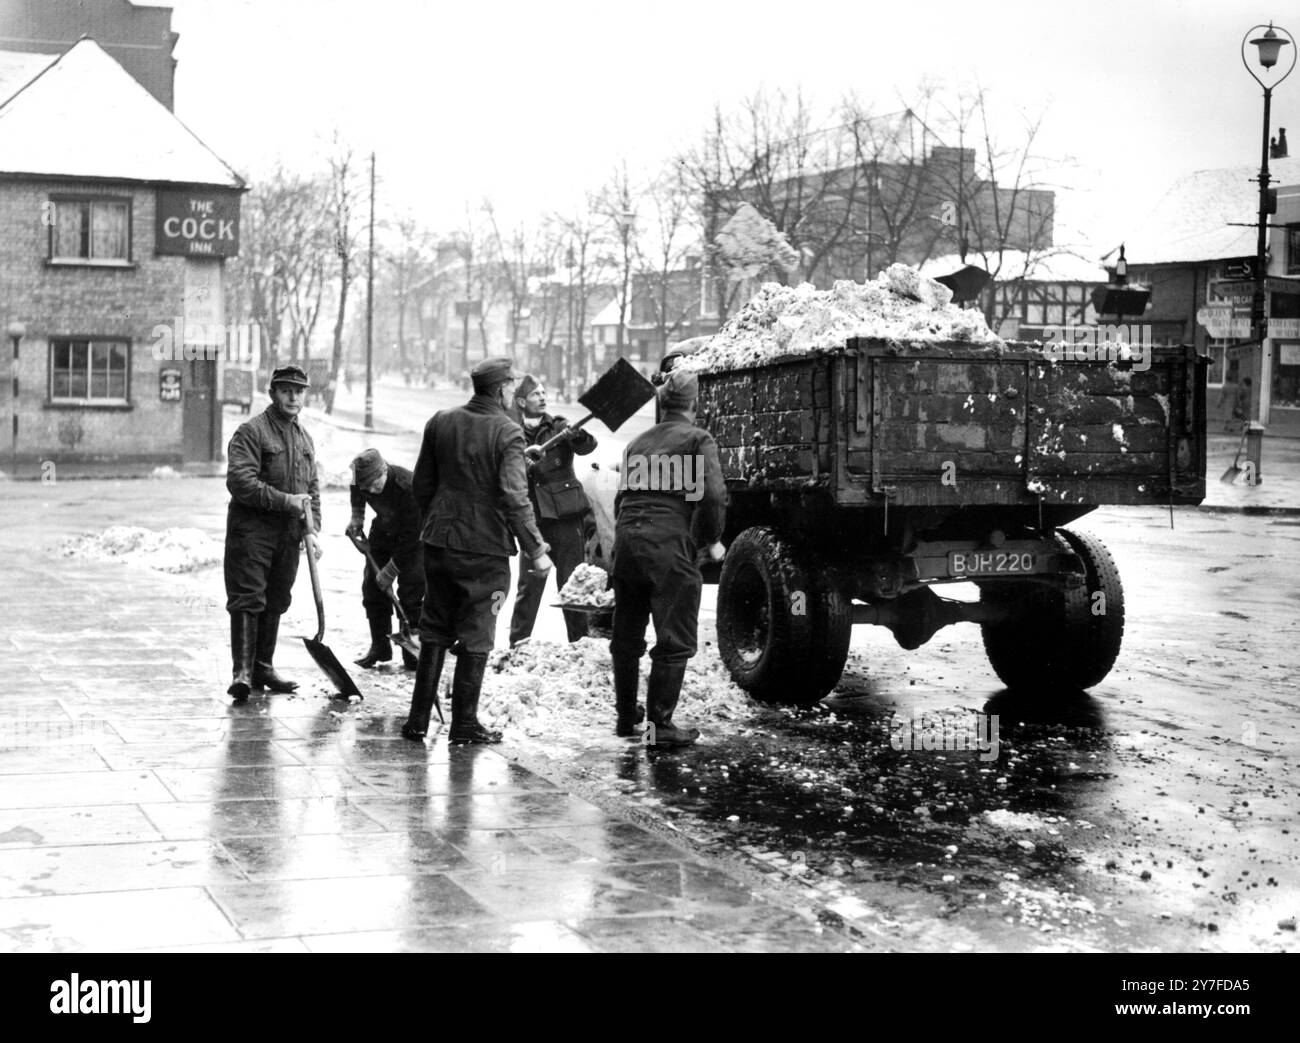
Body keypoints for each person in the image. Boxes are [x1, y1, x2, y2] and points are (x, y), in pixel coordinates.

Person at [403, 357, 554, 744]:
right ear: (503, 390)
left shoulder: (441, 420)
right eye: (513, 386)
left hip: (438, 542)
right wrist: (535, 548)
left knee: (434, 628)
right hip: (483, 550)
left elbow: (422, 485)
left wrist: (438, 521)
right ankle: (464, 724)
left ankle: (418, 720)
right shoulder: (508, 432)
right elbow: (514, 497)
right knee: (477, 633)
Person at [609, 367, 726, 745]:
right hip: (669, 545)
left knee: (626, 635)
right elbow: (709, 497)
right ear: (695, 403)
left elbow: (620, 499)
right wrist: (708, 540)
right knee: (673, 638)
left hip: (627, 543)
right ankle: (660, 726)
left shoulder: (638, 442)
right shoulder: (697, 439)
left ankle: (627, 718)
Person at [223, 365, 321, 701]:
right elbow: (240, 483)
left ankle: (263, 665)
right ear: (272, 393)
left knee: (277, 599)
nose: (293, 397)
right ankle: (243, 673)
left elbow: (312, 488)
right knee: (248, 598)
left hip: (288, 536)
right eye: (286, 390)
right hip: (251, 532)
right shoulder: (251, 432)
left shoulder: (304, 438)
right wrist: (287, 501)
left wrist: (312, 530)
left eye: (299, 391)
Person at [508, 373, 598, 646]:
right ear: (521, 401)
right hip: (533, 521)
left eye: (544, 392)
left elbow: (589, 447)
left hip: (566, 517)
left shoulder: (559, 425)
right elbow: (508, 472)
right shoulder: (511, 431)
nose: (543, 397)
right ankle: (517, 644)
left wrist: (577, 435)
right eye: (536, 394)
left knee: (572, 584)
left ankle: (579, 644)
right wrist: (526, 462)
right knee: (529, 586)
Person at [345, 448, 424, 671]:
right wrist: (357, 518)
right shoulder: (359, 478)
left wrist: (389, 572)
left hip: (414, 537)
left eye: (375, 484)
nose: (371, 490)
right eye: (366, 487)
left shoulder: (408, 486)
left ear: (384, 470)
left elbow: (411, 538)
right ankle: (380, 647)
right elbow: (355, 488)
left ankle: (413, 650)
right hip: (383, 530)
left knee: (411, 592)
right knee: (372, 587)